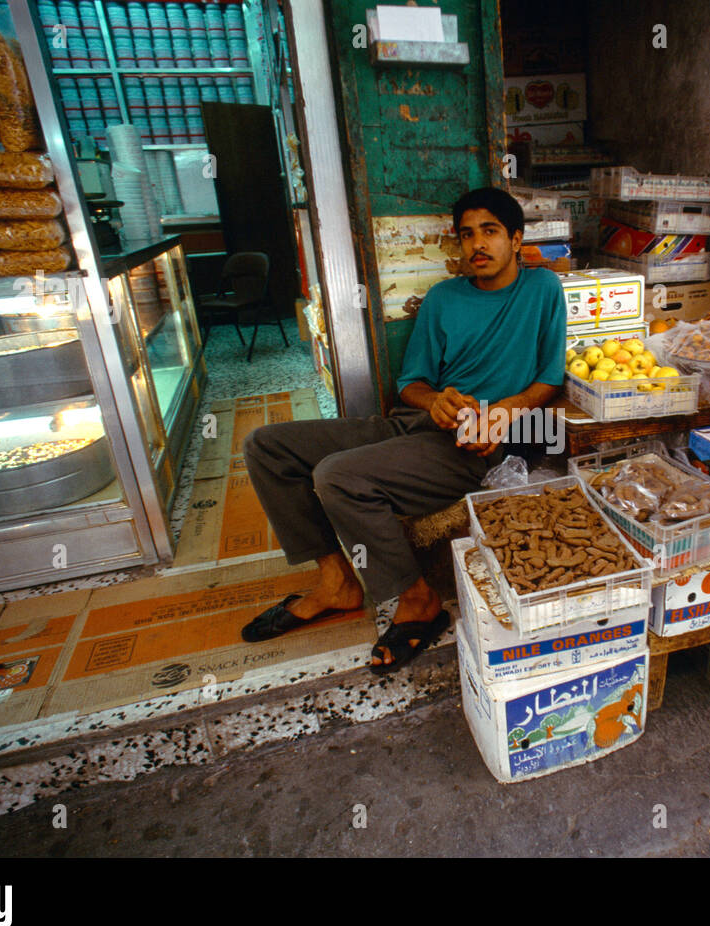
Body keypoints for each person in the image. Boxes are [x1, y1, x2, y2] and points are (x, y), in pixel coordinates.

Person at [240, 187, 566, 675]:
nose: (477, 244)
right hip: (418, 424)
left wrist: (501, 413)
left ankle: (418, 600)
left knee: (337, 476)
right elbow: (411, 382)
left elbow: (549, 378)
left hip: (476, 445)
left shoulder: (542, 290)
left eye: (491, 231)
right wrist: (434, 401)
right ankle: (337, 583)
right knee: (266, 445)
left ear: (516, 239)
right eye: (466, 234)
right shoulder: (443, 297)